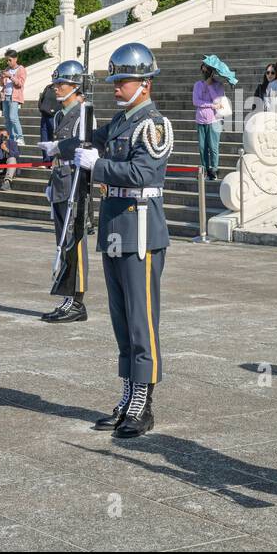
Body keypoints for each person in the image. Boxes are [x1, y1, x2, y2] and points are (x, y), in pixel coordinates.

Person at [47, 42, 172, 438]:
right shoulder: (120, 121)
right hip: (115, 225)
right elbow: (90, 140)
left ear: (145, 84)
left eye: (124, 81)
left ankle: (143, 401)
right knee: (121, 320)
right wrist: (60, 147)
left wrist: (97, 165)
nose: (116, 87)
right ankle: (127, 393)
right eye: (115, 80)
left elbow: (143, 174)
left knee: (141, 319)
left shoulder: (154, 124)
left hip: (141, 228)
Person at [37, 60, 91, 323]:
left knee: (74, 242)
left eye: (62, 84)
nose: (57, 88)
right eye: (56, 83)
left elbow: (87, 144)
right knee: (62, 240)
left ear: (75, 86)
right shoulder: (60, 115)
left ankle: (76, 299)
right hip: (60, 179)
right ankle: (67, 295)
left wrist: (59, 147)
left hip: (75, 182)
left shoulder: (84, 113)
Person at [192, 55, 233, 180]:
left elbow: (218, 101)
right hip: (200, 120)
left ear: (212, 72)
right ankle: (204, 169)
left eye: (207, 69)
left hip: (214, 120)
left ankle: (214, 170)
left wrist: (210, 86)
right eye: (203, 68)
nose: (205, 70)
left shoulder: (218, 85)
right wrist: (211, 105)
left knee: (213, 147)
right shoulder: (198, 84)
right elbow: (196, 101)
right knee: (202, 147)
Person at [0, 48, 27, 146]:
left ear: (16, 59)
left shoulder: (21, 69)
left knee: (13, 117)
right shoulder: (7, 69)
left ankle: (20, 137)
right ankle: (11, 138)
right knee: (7, 119)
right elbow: (1, 84)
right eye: (7, 60)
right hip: (5, 96)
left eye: (10, 60)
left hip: (14, 97)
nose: (8, 62)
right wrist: (3, 77)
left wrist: (10, 76)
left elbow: (20, 83)